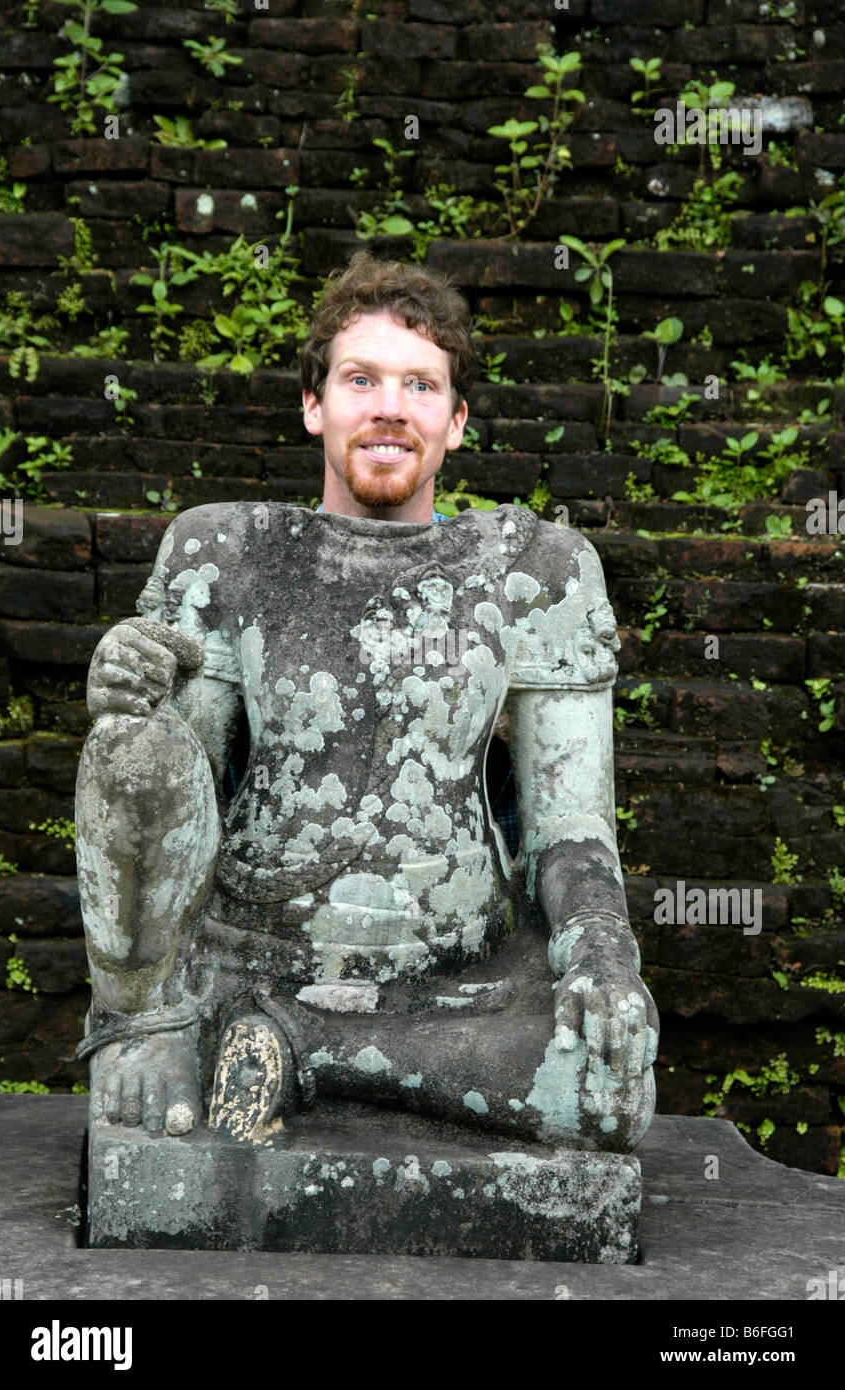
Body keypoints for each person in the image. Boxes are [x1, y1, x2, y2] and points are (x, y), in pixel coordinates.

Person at [75, 251, 658, 1153]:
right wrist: (131, 699)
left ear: (455, 421)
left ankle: (306, 1051)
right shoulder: (226, 551)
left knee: (610, 1089)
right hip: (248, 949)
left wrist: (601, 949)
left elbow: (571, 830)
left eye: (420, 386)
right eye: (362, 379)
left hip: (460, 980)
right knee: (131, 748)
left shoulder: (537, 570)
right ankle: (156, 1026)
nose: (390, 406)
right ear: (315, 405)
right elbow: (171, 794)